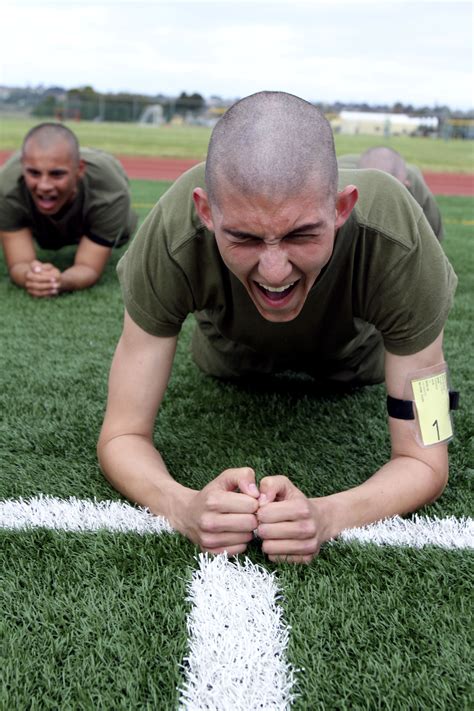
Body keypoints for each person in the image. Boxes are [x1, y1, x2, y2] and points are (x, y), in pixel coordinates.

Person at [98, 92, 457, 564]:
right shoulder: (172, 233)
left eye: (301, 234)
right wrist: (182, 505)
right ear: (206, 213)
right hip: (229, 358)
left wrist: (329, 515)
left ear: (341, 208)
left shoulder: (399, 241)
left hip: (354, 360)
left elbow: (427, 457)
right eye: (243, 237)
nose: (273, 271)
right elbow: (121, 434)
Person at [0, 123, 137, 297]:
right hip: (31, 211)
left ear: (79, 170)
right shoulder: (6, 187)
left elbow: (88, 266)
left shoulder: (110, 191)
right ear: (22, 167)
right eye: (34, 173)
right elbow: (19, 262)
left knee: (122, 231)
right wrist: (31, 276)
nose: (44, 186)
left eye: (57, 174)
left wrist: (60, 281)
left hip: (97, 198)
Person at [337, 147, 444, 240]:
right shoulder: (340, 182)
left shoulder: (418, 193)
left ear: (406, 185)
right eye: (376, 193)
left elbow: (433, 242)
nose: (380, 202)